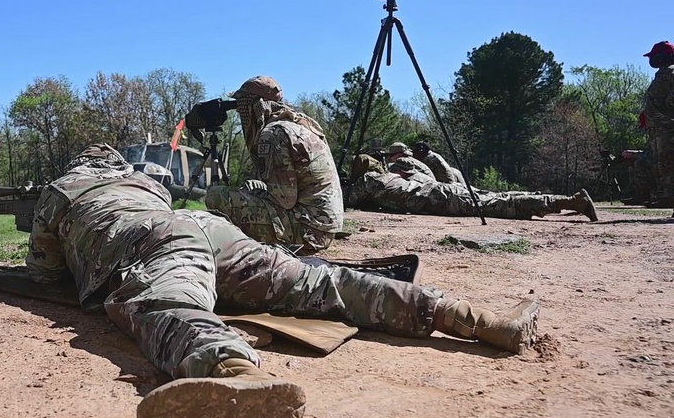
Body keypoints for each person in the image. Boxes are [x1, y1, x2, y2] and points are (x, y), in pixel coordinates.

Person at [27, 144, 541, 418]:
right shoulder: (144, 182)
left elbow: (46, 271)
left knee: (166, 301)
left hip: (150, 238)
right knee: (321, 280)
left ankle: (236, 374)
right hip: (211, 228)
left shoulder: (61, 191)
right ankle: (477, 319)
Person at [204, 76, 345, 254]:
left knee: (217, 196)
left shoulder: (273, 134)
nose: (241, 113)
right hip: (321, 226)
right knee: (249, 187)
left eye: (243, 106)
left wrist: (255, 194)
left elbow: (284, 200)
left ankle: (229, 251)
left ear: (256, 105)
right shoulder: (298, 125)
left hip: (308, 232)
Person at [347, 155, 598, 221]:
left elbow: (349, 200)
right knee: (499, 197)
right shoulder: (393, 176)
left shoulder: (370, 181)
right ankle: (564, 200)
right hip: (444, 191)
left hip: (442, 200)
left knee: (502, 205)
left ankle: (570, 202)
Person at [642, 41, 674, 210]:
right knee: (660, 162)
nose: (652, 60)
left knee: (667, 161)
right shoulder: (663, 73)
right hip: (658, 127)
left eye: (654, 56)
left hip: (667, 126)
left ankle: (670, 195)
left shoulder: (671, 71)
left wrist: (666, 106)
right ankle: (665, 195)